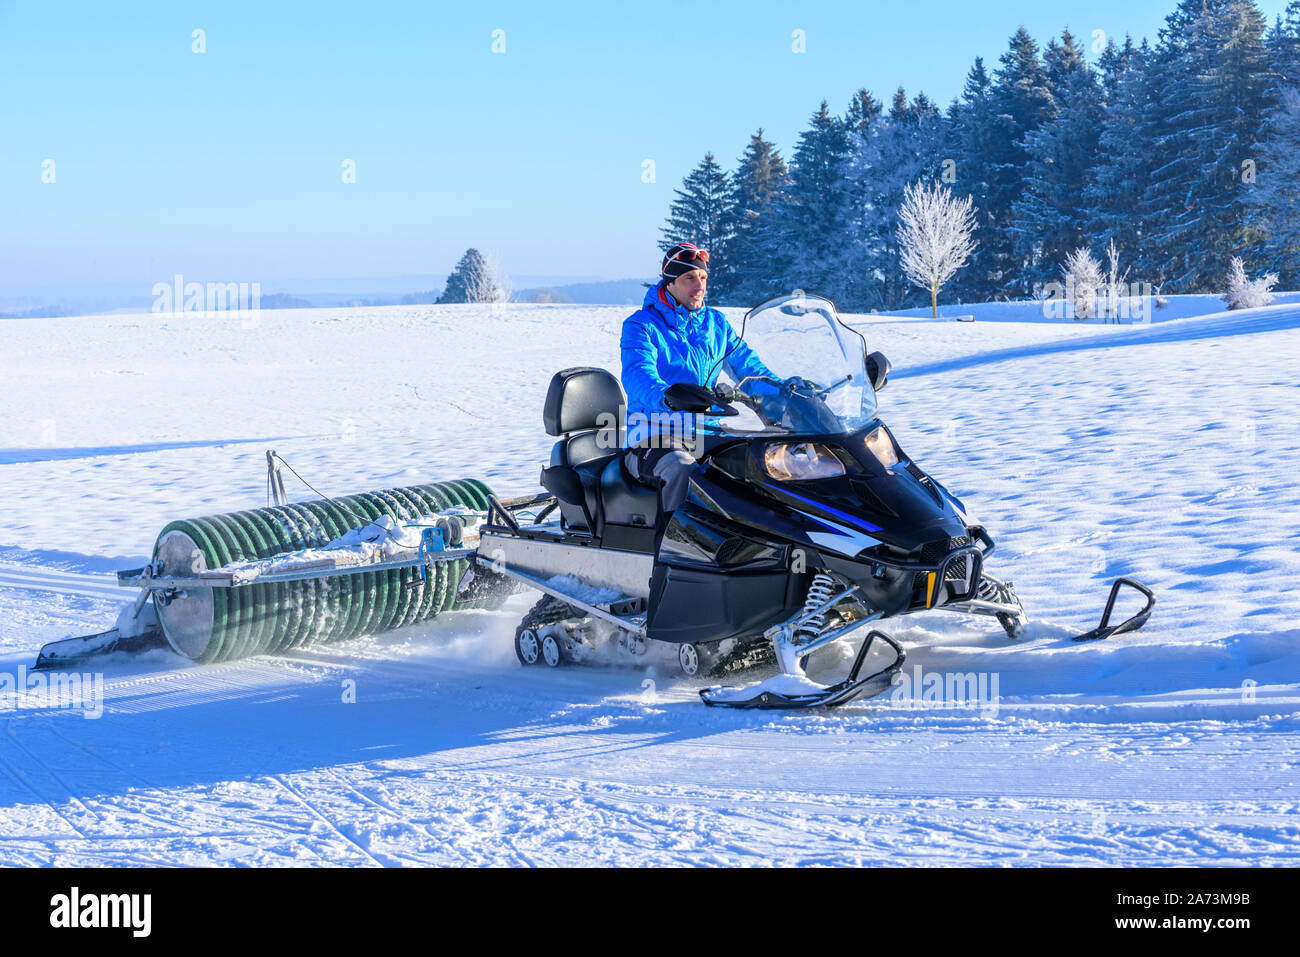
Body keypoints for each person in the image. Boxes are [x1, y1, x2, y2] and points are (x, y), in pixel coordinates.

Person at [619, 242, 777, 513]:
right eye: (690, 278)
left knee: (764, 466)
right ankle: (669, 552)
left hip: (709, 434)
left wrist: (786, 390)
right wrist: (668, 396)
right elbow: (638, 375)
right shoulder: (641, 325)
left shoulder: (715, 324)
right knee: (682, 471)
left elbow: (750, 369)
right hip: (652, 436)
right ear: (669, 284)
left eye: (703, 277)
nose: (699, 285)